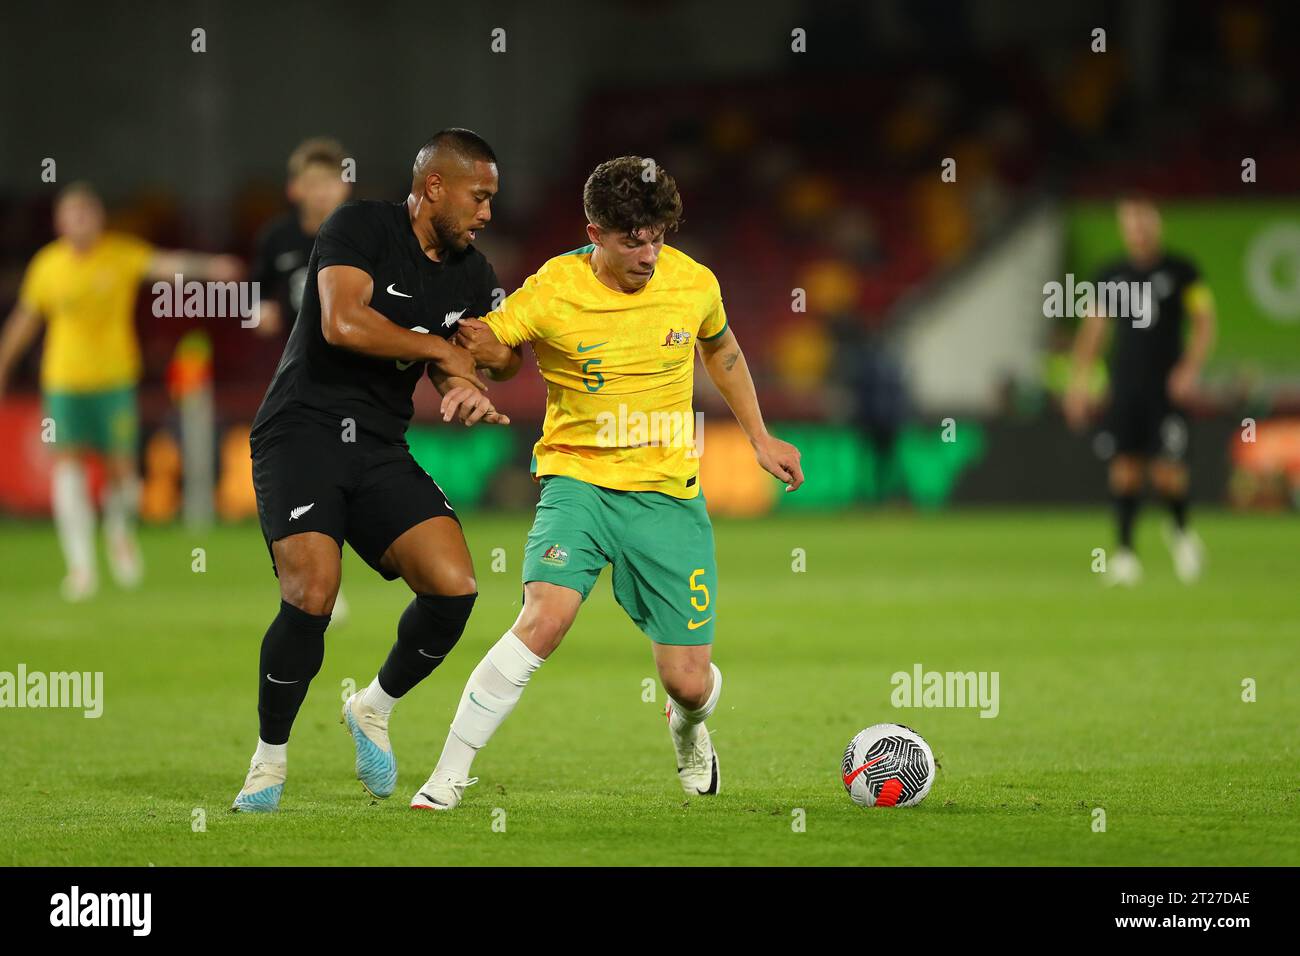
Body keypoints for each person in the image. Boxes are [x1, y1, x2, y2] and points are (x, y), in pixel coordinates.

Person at [409, 156, 804, 811]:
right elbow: (489, 346)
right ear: (594, 232)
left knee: (686, 681)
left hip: (667, 496)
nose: (649, 253)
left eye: (658, 236)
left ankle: (689, 728)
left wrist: (761, 436)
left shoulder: (693, 282)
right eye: (632, 241)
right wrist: (464, 378)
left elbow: (723, 348)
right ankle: (447, 775)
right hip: (578, 482)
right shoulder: (552, 289)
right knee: (544, 618)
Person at [232, 129, 509, 813]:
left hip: (380, 444)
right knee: (313, 593)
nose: (487, 213)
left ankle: (373, 707)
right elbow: (342, 323)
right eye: (479, 197)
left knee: (455, 588)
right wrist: (440, 349)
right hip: (300, 432)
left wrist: (466, 383)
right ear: (435, 188)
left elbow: (487, 356)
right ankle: (268, 762)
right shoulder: (358, 226)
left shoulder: (473, 272)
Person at [0, 182, 242, 601]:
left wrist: (211, 268)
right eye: (72, 215)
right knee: (69, 464)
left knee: (120, 470)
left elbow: (167, 265)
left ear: (98, 219)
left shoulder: (120, 254)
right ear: (60, 222)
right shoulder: (48, 266)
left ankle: (119, 536)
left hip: (114, 380)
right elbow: (26, 318)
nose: (80, 222)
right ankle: (79, 567)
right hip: (64, 382)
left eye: (87, 214)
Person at [1064, 195, 1216, 586]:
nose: (1138, 231)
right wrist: (1079, 383)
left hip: (1166, 388)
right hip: (1125, 386)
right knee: (1125, 469)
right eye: (1131, 224)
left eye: (1144, 222)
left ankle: (1181, 535)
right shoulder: (1111, 274)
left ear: (1157, 225)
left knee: (1167, 471)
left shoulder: (1182, 271)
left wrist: (1189, 369)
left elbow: (1204, 322)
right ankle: (1125, 556)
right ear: (1123, 230)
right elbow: (1094, 330)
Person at [249, 136, 355, 623]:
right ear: (296, 189)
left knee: (340, 478)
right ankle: (306, 580)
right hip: (294, 379)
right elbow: (257, 298)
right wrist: (261, 313)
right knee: (299, 478)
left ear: (345, 186)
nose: (322, 192)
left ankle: (327, 580)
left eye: (331, 181)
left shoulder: (363, 234)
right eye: (313, 182)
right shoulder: (276, 239)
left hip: (352, 378)